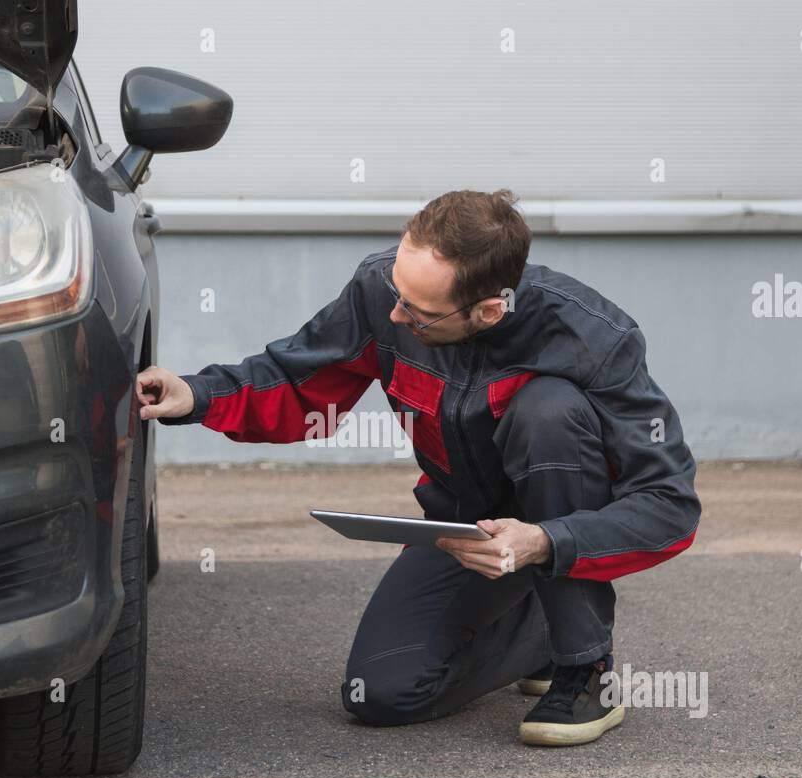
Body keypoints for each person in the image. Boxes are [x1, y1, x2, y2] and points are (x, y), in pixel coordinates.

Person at [136, 189, 700, 746]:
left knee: (548, 411)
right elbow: (297, 376)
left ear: (488, 310)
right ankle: (539, 632)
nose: (394, 314)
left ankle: (584, 669)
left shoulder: (596, 339)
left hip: (560, 529)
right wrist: (198, 394)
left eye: (418, 312)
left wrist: (545, 541)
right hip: (462, 531)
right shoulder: (385, 291)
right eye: (397, 293)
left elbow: (668, 506)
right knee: (379, 692)